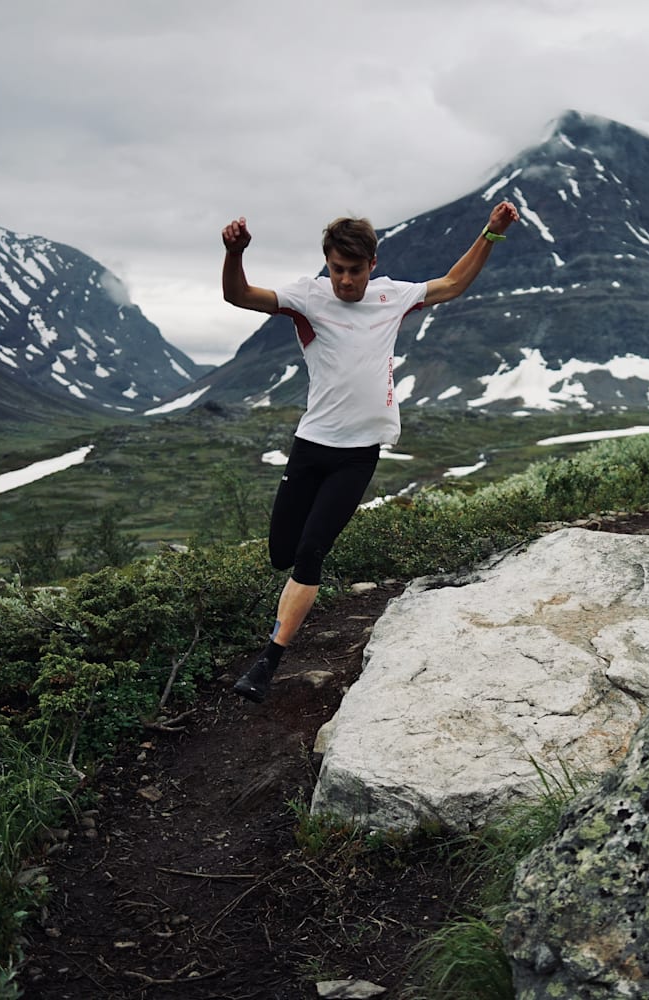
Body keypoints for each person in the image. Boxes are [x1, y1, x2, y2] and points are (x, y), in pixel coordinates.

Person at [219, 199, 520, 702]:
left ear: (371, 266)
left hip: (358, 455)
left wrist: (491, 234)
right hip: (311, 446)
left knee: (311, 552)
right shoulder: (308, 297)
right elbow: (238, 296)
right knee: (281, 553)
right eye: (337, 270)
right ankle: (292, 603)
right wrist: (234, 254)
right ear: (327, 264)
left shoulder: (391, 297)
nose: (345, 281)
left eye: (355, 270)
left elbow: (451, 284)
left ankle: (268, 662)